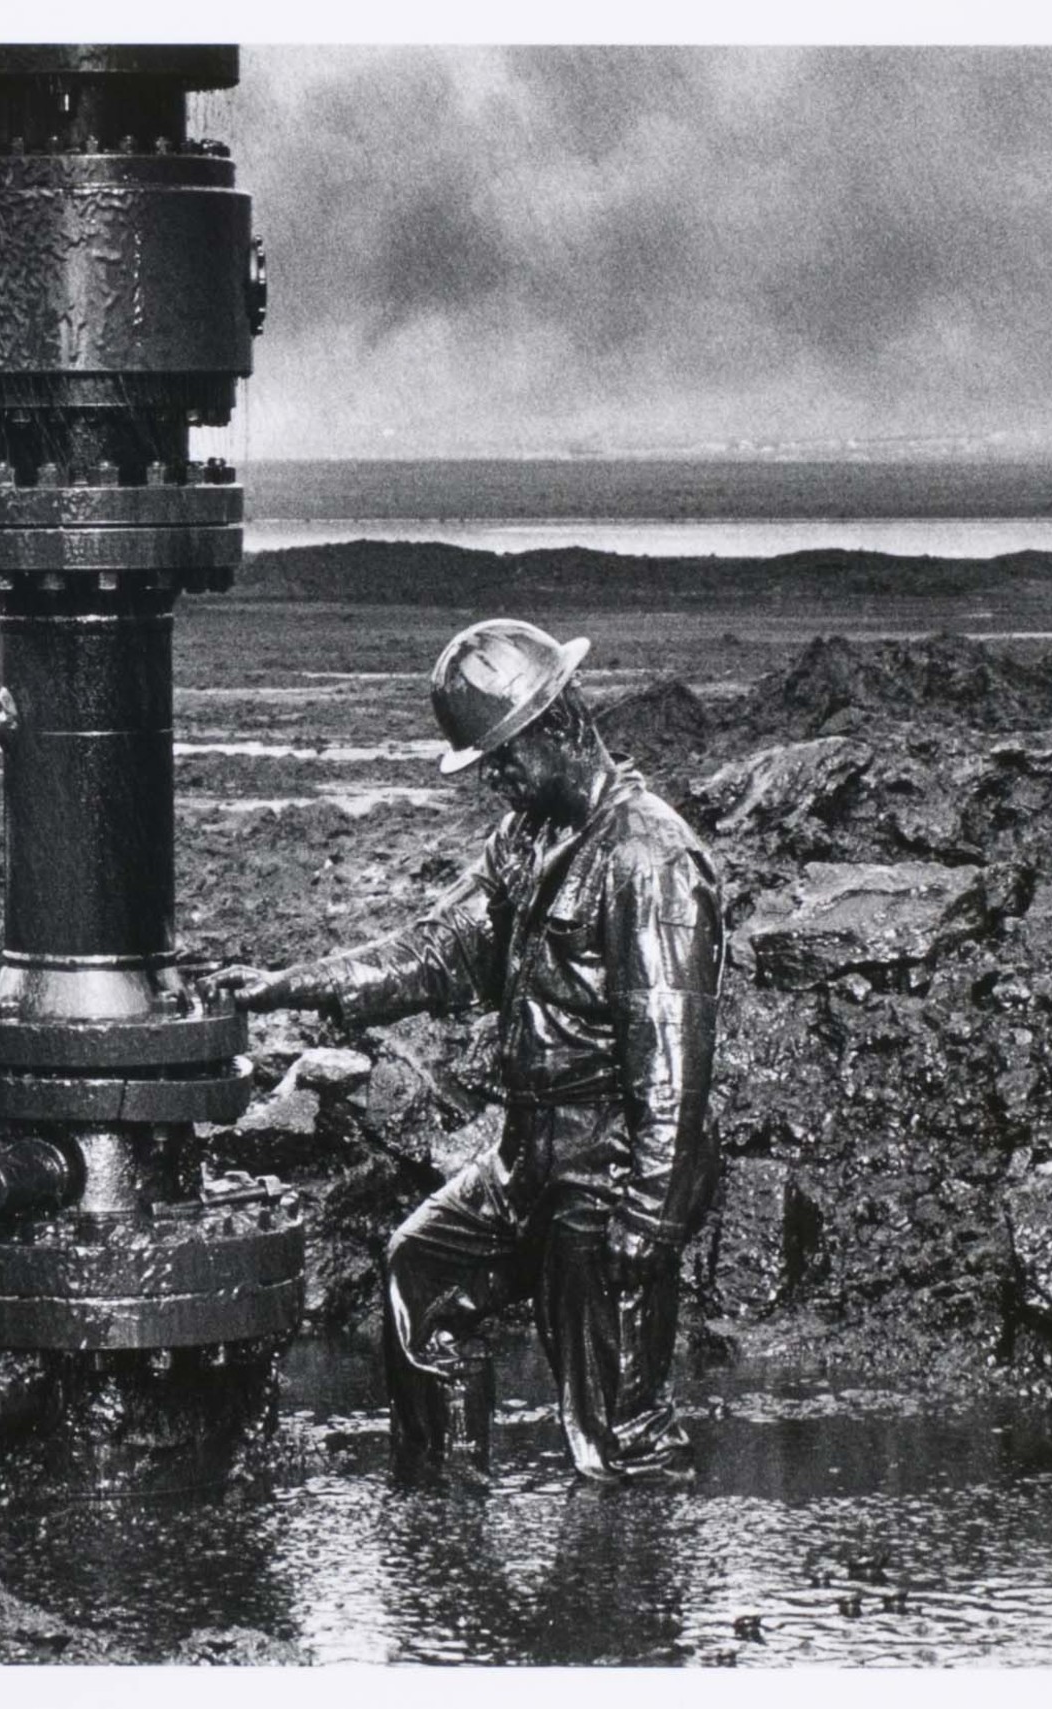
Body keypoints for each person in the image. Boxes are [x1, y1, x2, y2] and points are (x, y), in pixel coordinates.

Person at [211, 619, 724, 1485]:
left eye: (503, 758)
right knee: (421, 1272)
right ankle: (447, 1512)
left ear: (559, 725)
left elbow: (673, 1063)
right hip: (527, 1153)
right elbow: (437, 948)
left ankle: (636, 1596)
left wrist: (651, 1221)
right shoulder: (527, 836)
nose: (495, 780)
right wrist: (282, 984)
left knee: (616, 1434)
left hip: (607, 1165)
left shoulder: (653, 857)